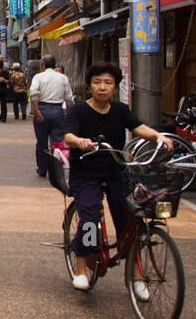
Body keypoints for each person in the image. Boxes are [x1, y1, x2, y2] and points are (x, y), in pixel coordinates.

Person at [63, 63, 171, 292]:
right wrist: (79, 141)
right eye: (97, 82)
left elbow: (138, 127)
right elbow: (69, 136)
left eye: (108, 83)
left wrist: (157, 136)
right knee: (90, 220)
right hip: (86, 175)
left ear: (115, 87)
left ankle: (136, 276)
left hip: (116, 173)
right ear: (90, 86)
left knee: (131, 222)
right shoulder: (78, 110)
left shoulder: (120, 110)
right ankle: (82, 267)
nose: (102, 87)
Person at [29, 55, 75, 178]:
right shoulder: (63, 78)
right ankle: (57, 169)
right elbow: (69, 98)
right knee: (58, 141)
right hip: (58, 110)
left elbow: (33, 94)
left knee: (41, 142)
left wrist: (36, 111)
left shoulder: (38, 77)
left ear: (43, 65)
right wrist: (69, 114)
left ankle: (42, 168)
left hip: (42, 109)